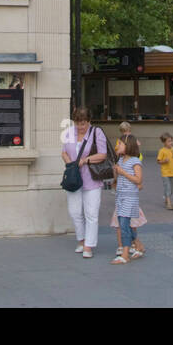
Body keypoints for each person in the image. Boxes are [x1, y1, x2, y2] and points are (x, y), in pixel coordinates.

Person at [62, 107, 110, 259]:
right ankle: (81, 240)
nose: (80, 126)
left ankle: (89, 245)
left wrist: (85, 160)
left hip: (91, 178)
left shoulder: (96, 132)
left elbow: (102, 154)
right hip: (74, 178)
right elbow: (63, 152)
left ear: (89, 121)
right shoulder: (69, 132)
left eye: (83, 123)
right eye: (77, 123)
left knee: (91, 214)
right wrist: (70, 163)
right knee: (75, 212)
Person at [111, 134, 144, 264]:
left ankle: (125, 254)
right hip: (121, 196)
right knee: (125, 224)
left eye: (120, 144)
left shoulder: (135, 161)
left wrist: (123, 172)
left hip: (130, 197)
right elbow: (118, 178)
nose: (117, 146)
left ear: (128, 146)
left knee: (124, 225)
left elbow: (138, 180)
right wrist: (116, 172)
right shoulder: (120, 160)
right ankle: (138, 245)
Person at [156, 132, 173, 210]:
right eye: (169, 141)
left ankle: (166, 199)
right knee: (168, 188)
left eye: (171, 141)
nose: (171, 143)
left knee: (171, 189)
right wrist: (164, 161)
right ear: (164, 142)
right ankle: (169, 203)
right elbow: (158, 161)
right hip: (165, 173)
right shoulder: (162, 151)